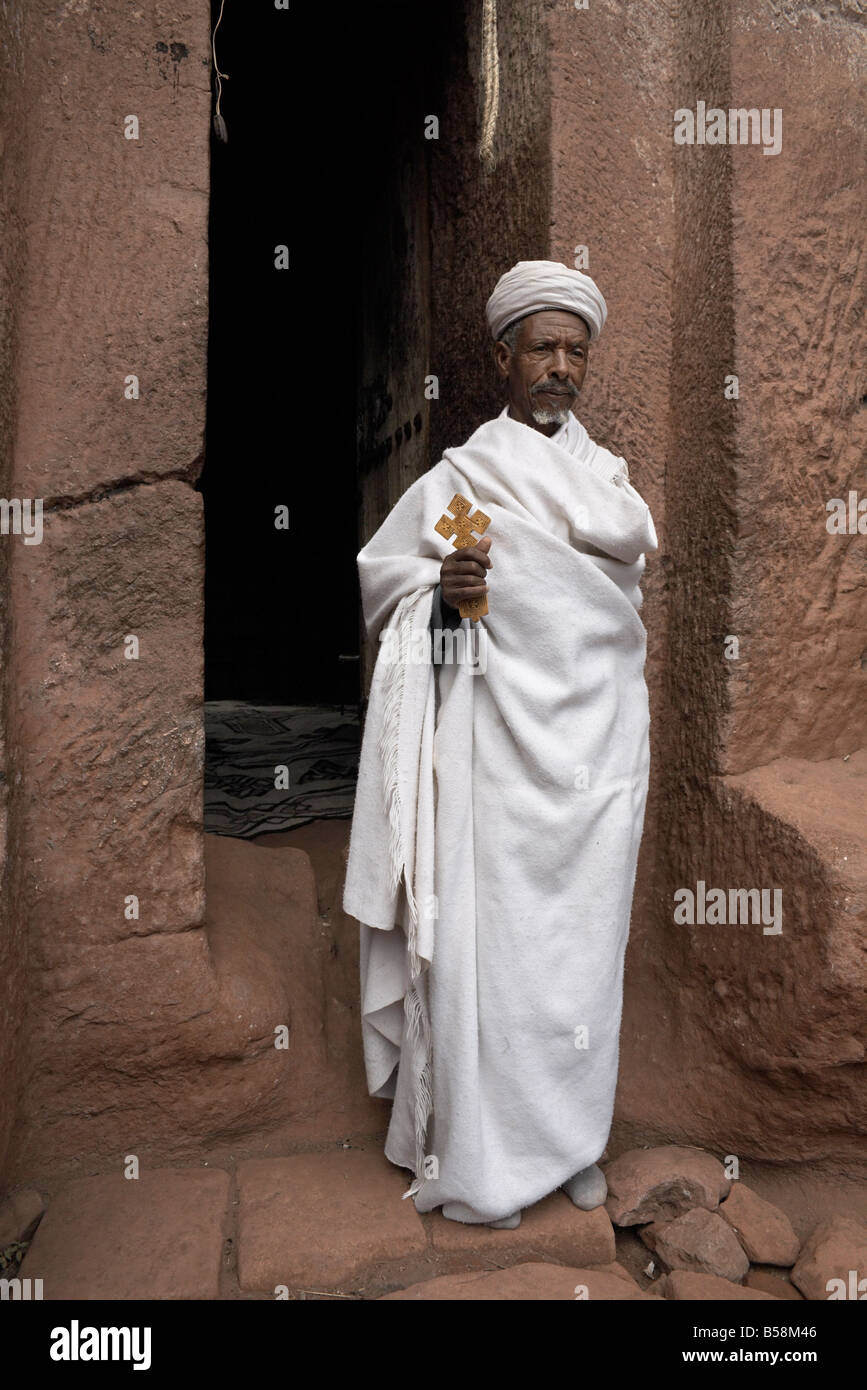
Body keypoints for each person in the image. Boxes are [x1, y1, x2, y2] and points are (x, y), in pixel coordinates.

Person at [343, 260, 658, 1227]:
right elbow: (391, 588)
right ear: (502, 358)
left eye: (574, 350)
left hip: (598, 760)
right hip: (491, 757)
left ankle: (569, 1146)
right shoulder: (463, 481)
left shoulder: (609, 485)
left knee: (578, 956)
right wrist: (443, 596)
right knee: (497, 956)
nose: (558, 366)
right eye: (541, 348)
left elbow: (614, 615)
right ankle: (481, 1152)